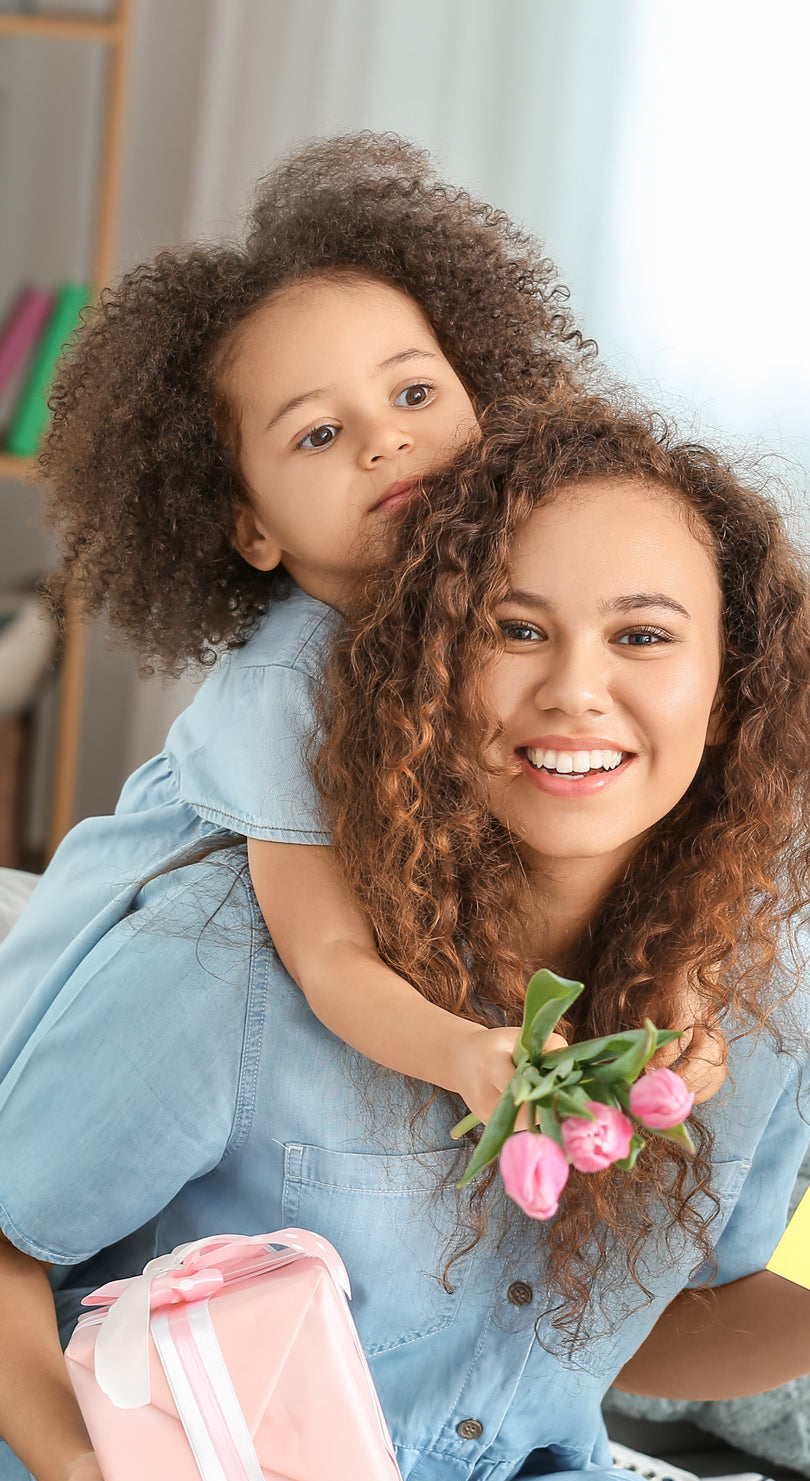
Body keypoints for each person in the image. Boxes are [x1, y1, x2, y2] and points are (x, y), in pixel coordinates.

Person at [0, 396, 810, 1481]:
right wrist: (77, 1473)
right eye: (513, 629)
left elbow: (638, 1338)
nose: (574, 691)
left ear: (727, 692)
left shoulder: (763, 998)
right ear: (430, 666)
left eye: (643, 636)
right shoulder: (237, 945)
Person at [0, 130, 612, 1134]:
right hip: (128, 963)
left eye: (414, 392)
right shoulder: (290, 688)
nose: (386, 439)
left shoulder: (517, 613)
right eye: (319, 434)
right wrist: (463, 1050)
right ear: (246, 524)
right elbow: (323, 955)